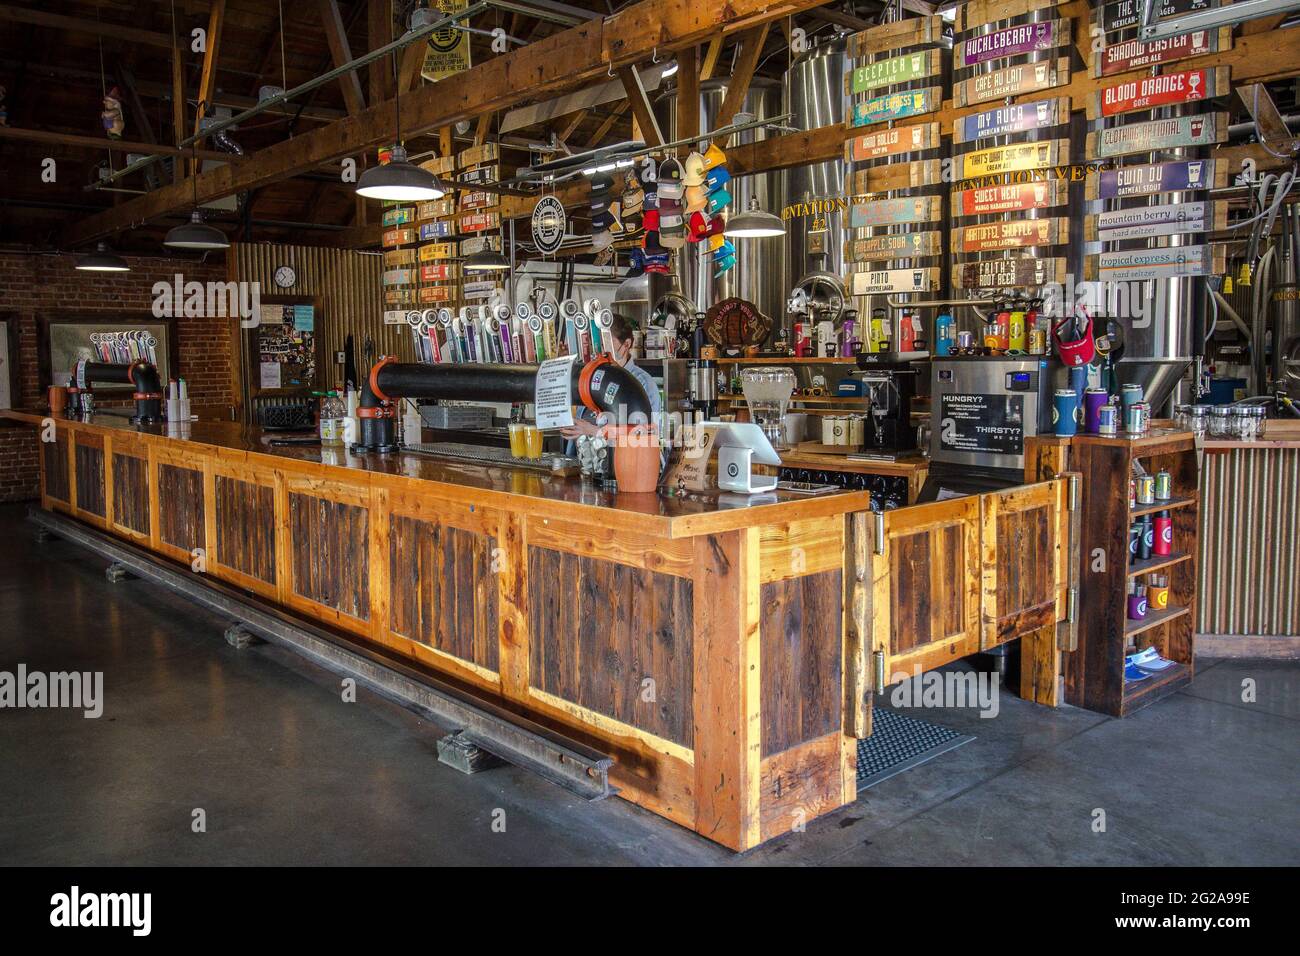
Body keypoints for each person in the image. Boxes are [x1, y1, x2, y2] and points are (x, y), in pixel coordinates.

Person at [561, 313, 662, 444]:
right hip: (585, 460)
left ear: (626, 344)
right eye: (598, 343)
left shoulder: (643, 383)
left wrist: (593, 431)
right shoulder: (593, 376)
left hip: (623, 462)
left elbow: (645, 434)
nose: (601, 349)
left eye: (607, 342)